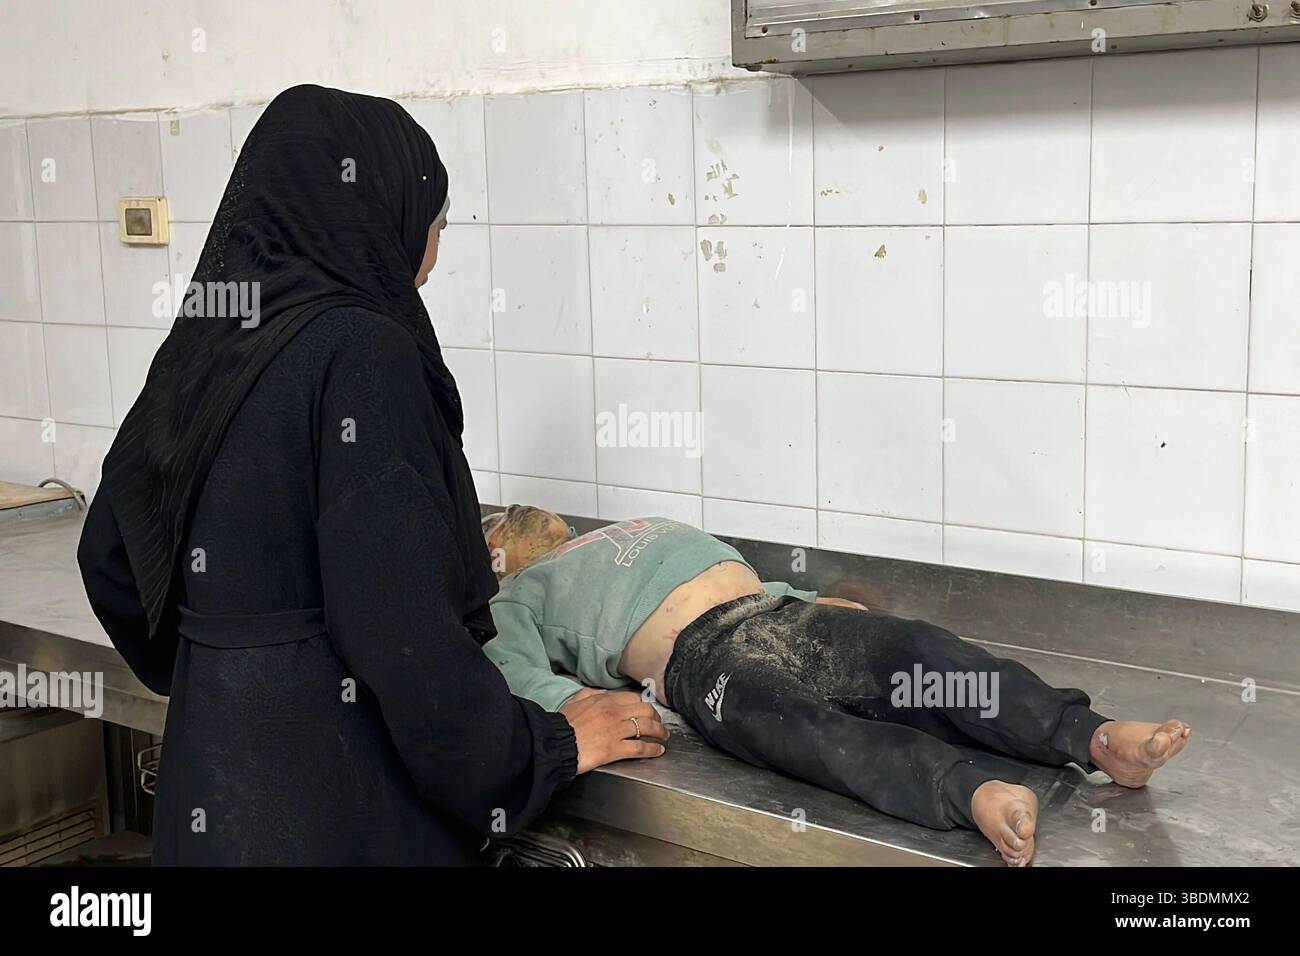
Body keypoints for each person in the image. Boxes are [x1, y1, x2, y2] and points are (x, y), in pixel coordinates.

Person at [76, 86, 665, 866]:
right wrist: (542, 748)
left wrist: (226, 678)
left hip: (209, 797)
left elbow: (111, 556)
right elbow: (404, 637)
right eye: (438, 220)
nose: (433, 252)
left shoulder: (213, 335)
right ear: (377, 208)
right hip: (339, 812)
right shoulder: (364, 354)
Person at [481, 506, 1193, 866]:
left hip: (779, 611)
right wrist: (572, 705)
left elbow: (731, 572)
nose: (531, 527)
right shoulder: (524, 589)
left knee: (920, 653)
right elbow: (508, 664)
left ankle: (1088, 734)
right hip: (705, 664)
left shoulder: (635, 527)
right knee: (817, 735)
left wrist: (818, 598)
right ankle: (968, 790)